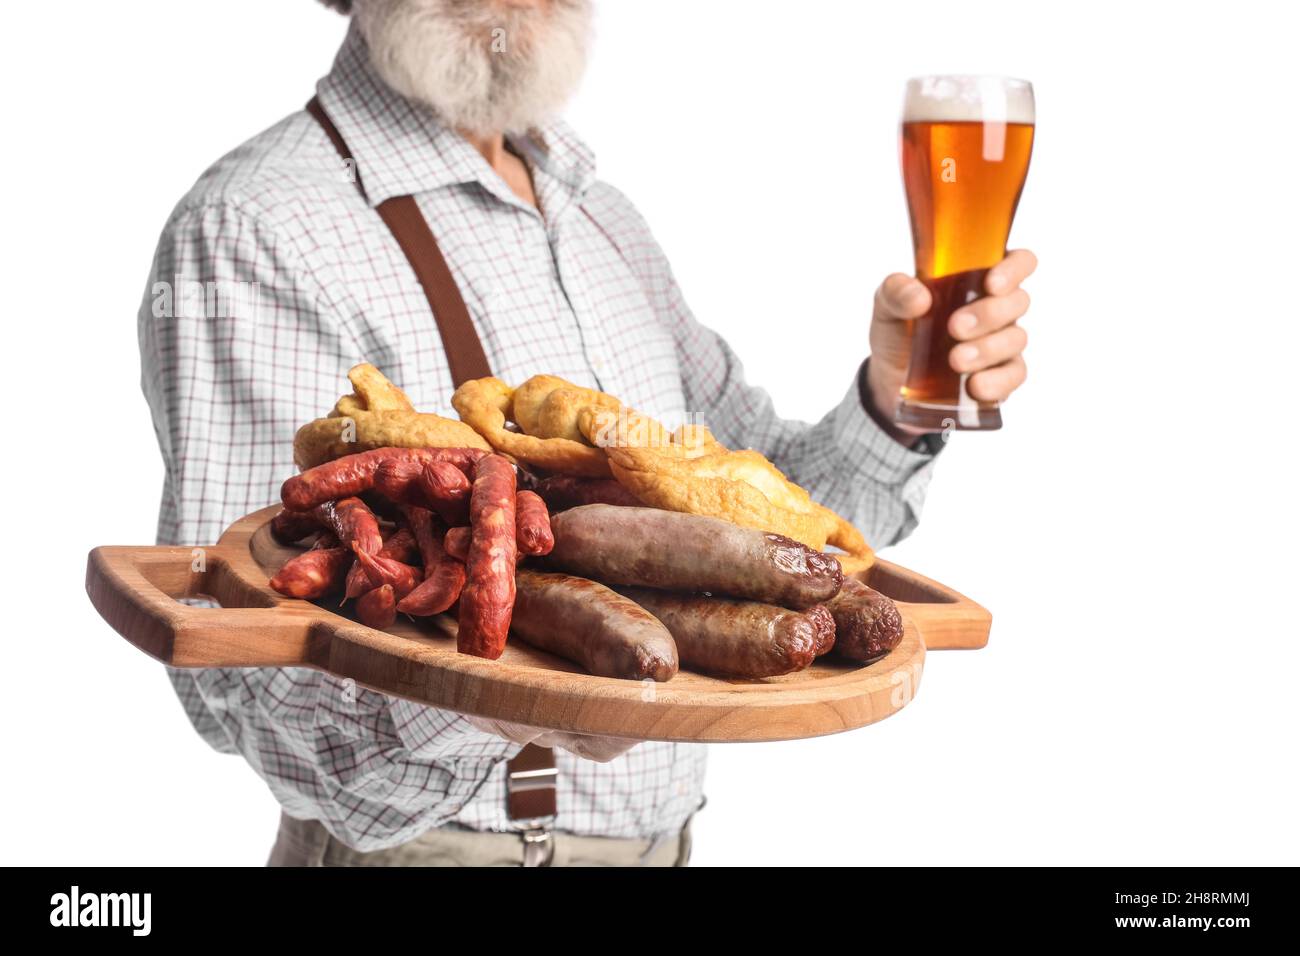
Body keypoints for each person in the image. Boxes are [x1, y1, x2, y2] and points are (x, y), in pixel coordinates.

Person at [138, 0, 1036, 866]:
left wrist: (895, 396)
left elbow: (773, 527)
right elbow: (244, 683)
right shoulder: (258, 225)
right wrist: (509, 693)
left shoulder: (601, 219)